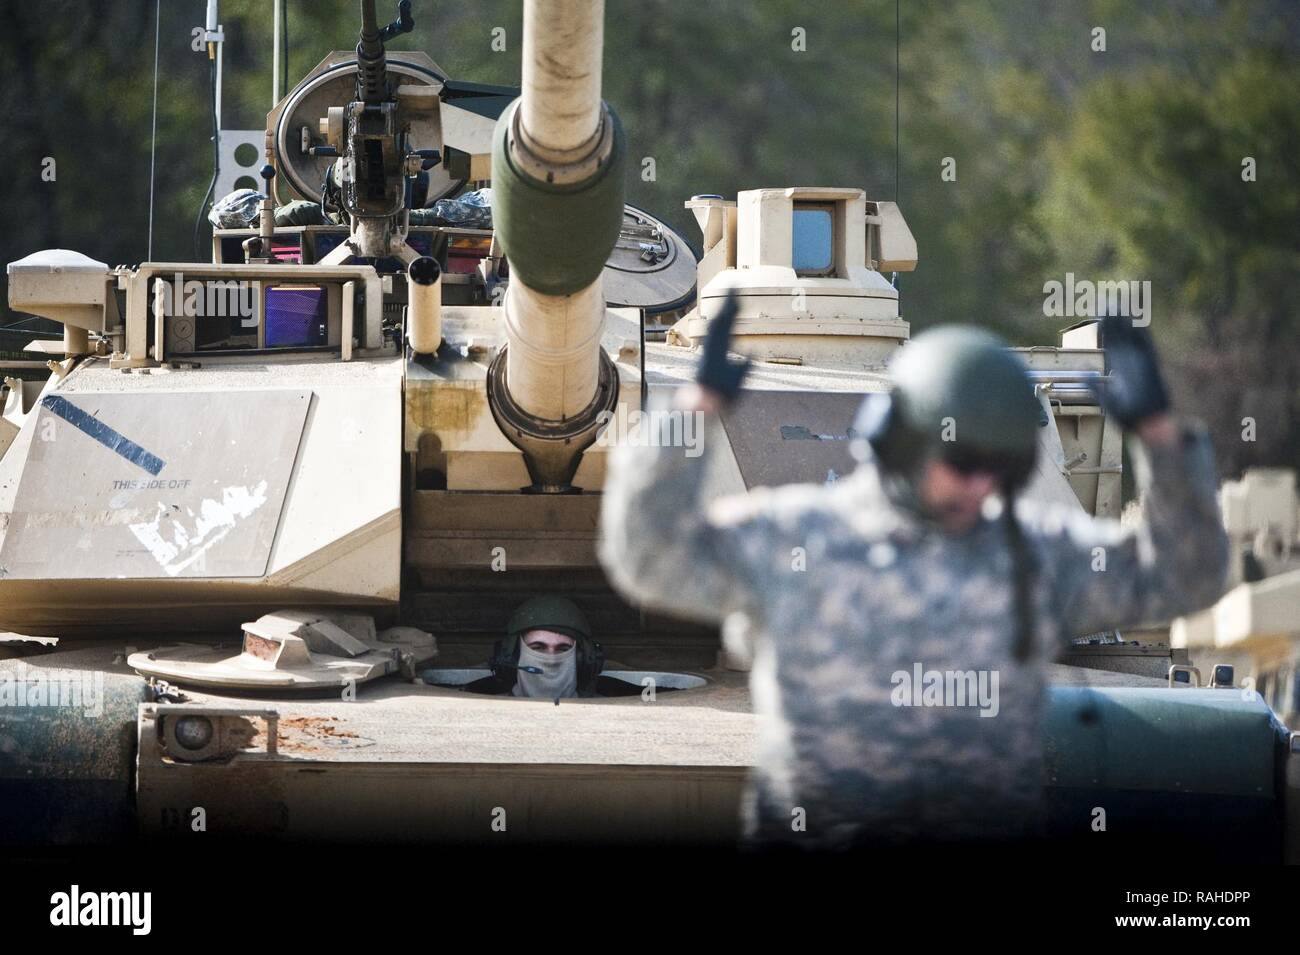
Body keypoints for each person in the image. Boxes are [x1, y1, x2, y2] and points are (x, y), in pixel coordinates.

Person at [598, 299, 1229, 849]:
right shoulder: (801, 537)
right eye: (963, 460)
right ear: (902, 439)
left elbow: (1185, 576)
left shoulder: (1033, 556)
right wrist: (693, 409)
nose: (980, 485)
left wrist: (1159, 438)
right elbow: (648, 556)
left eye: (1000, 467)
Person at [461, 595, 645, 699]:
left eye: (563, 649)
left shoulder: (609, 713)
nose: (551, 657)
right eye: (538, 648)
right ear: (513, 656)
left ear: (583, 659)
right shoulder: (485, 709)